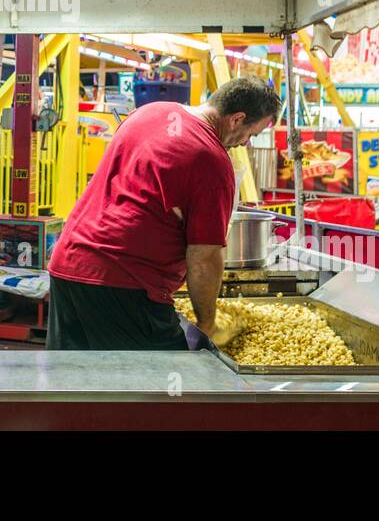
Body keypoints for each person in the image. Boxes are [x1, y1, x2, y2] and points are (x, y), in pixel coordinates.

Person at [46, 76, 282, 350]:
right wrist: (207, 324)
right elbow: (204, 257)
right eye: (251, 134)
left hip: (68, 266)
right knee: (160, 381)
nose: (246, 143)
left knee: (73, 381)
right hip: (124, 281)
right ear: (237, 119)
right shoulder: (211, 160)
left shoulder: (149, 112)